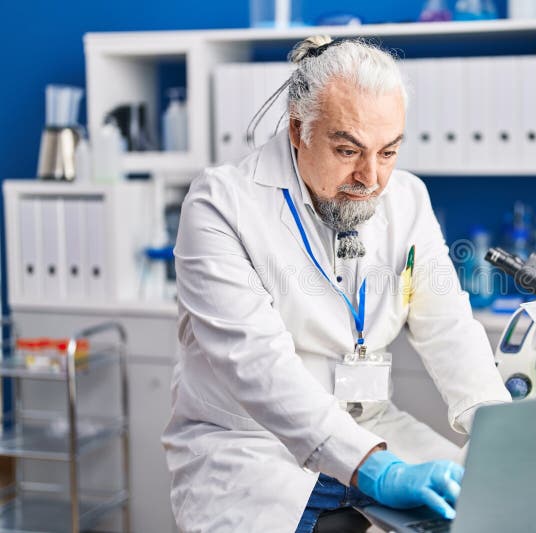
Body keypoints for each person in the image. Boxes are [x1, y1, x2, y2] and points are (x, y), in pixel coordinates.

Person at [162, 35, 511, 533]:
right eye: (348, 149)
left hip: (371, 427)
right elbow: (259, 366)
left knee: (481, 512)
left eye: (388, 151)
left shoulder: (408, 200)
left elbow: (448, 327)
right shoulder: (221, 205)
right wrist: (375, 469)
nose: (370, 177)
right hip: (254, 449)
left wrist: (498, 434)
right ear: (298, 128)